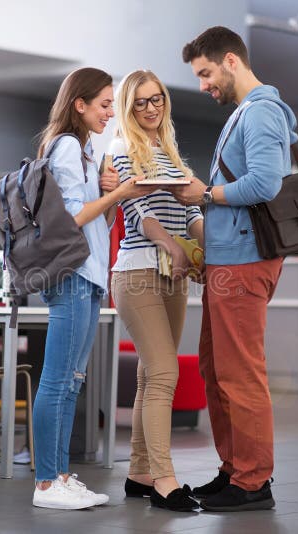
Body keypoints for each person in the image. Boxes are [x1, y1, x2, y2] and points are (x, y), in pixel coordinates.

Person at [170, 26, 298, 512]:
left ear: (230, 60)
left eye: (205, 74)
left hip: (245, 264)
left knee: (240, 374)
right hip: (229, 262)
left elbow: (264, 184)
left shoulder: (261, 112)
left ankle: (252, 481)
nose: (203, 85)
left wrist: (204, 194)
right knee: (217, 370)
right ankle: (234, 470)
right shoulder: (247, 113)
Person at [31, 67, 143, 510]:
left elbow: (95, 222)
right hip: (73, 276)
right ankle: (46, 483)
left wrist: (106, 192)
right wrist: (117, 194)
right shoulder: (65, 147)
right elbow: (72, 218)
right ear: (79, 104)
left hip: (89, 274)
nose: (110, 112)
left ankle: (59, 474)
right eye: (103, 104)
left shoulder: (84, 150)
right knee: (58, 381)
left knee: (72, 381)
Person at [104, 69, 203, 512]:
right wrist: (172, 247)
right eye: (140, 102)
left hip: (174, 273)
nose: (150, 108)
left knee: (150, 375)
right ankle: (166, 480)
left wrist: (201, 249)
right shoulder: (122, 148)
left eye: (156, 99)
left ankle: (139, 474)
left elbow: (190, 211)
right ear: (128, 108)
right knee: (164, 373)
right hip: (139, 271)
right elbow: (138, 209)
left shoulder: (170, 152)